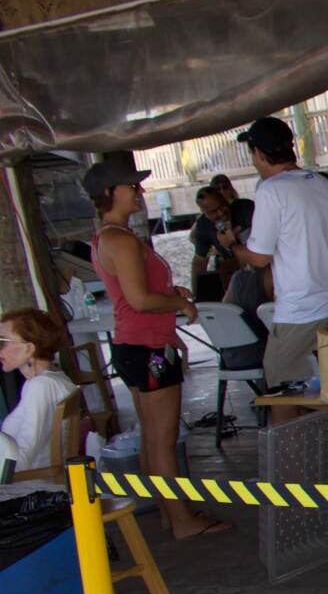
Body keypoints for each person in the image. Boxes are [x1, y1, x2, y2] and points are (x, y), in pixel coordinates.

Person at [85, 161, 229, 537]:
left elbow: (141, 295)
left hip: (134, 344)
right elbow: (139, 299)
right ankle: (180, 520)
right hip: (146, 346)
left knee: (153, 436)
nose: (139, 191)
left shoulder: (107, 238)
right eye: (130, 185)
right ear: (108, 193)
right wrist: (180, 305)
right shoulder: (120, 239)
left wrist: (168, 297)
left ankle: (171, 512)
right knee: (163, 438)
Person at [225, 116, 328, 422]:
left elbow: (258, 258)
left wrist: (231, 245)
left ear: (257, 153)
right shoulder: (321, 183)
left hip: (301, 309)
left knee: (280, 392)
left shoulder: (272, 190)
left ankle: (294, 465)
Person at [0, 307, 78, 473]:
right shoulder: (46, 380)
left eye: (2, 342)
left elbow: (20, 463)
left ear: (28, 348)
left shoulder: (41, 387)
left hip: (31, 483)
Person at [189, 185, 255, 300]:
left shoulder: (246, 208)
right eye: (213, 212)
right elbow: (200, 262)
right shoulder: (204, 226)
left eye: (223, 206)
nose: (221, 213)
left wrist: (233, 243)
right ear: (204, 213)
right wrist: (196, 297)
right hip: (235, 273)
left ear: (226, 200)